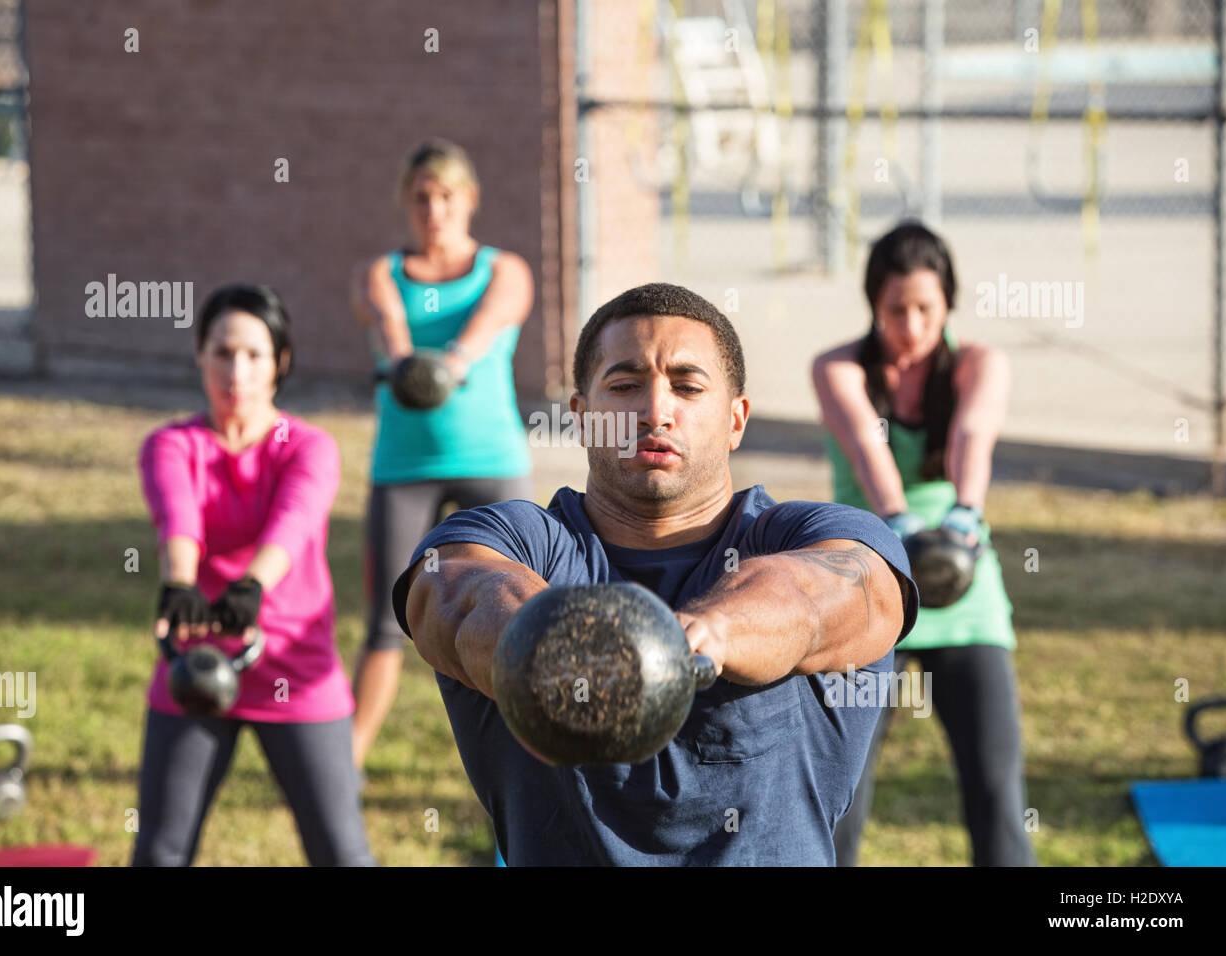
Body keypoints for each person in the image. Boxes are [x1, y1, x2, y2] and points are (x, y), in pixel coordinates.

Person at [391, 282, 921, 865]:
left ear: (736, 420)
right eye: (623, 386)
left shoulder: (816, 535)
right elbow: (453, 595)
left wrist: (706, 634)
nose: (654, 411)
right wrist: (547, 646)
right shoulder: (517, 540)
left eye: (688, 387)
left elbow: (833, 594)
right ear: (582, 416)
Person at [812, 221, 1036, 866]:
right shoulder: (838, 368)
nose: (910, 326)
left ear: (948, 305)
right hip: (869, 590)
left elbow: (972, 432)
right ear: (872, 306)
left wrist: (965, 515)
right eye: (895, 310)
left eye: (925, 310)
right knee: (839, 796)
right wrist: (901, 523)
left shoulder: (979, 362)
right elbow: (865, 442)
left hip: (963, 592)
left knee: (996, 791)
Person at [133, 284, 374, 866]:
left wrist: (251, 585)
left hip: (296, 661)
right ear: (198, 354)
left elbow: (294, 521)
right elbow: (178, 517)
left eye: (253, 354)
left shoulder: (309, 446)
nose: (235, 371)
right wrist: (182, 585)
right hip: (198, 658)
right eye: (221, 352)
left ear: (280, 362)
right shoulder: (172, 444)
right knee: (160, 853)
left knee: (342, 853)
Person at [348, 139, 535, 772]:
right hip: (403, 468)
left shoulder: (505, 269)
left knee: (517, 613)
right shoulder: (381, 273)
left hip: (490, 460)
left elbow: (486, 326)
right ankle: (343, 767)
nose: (435, 209)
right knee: (383, 622)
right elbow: (389, 326)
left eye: (447, 195)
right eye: (422, 196)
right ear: (406, 202)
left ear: (470, 200)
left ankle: (534, 761)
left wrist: (451, 363)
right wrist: (404, 360)